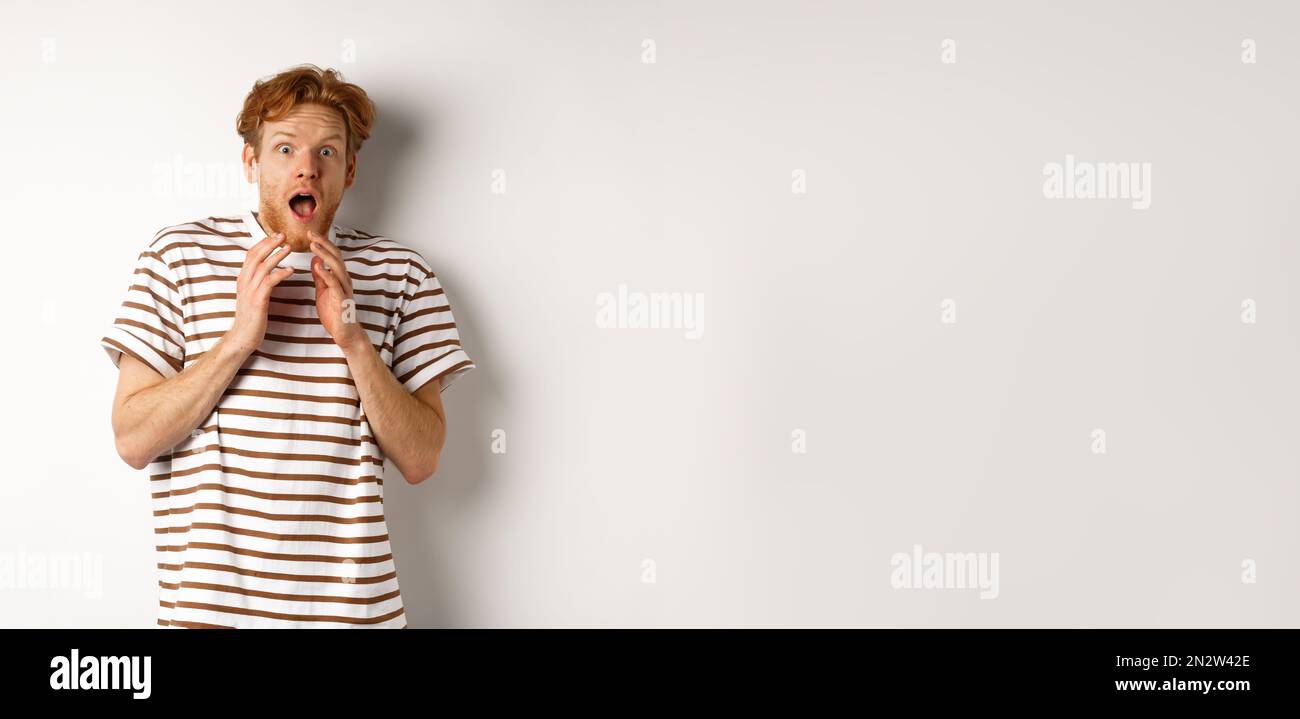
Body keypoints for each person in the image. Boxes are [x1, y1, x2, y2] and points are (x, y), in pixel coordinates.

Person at [100, 64, 475, 628]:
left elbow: (422, 459)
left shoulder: (403, 273)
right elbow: (132, 440)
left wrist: (353, 341)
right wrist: (238, 339)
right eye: (284, 149)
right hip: (211, 617)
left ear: (349, 171)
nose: (306, 166)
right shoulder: (176, 257)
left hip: (355, 617)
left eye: (327, 152)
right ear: (251, 162)